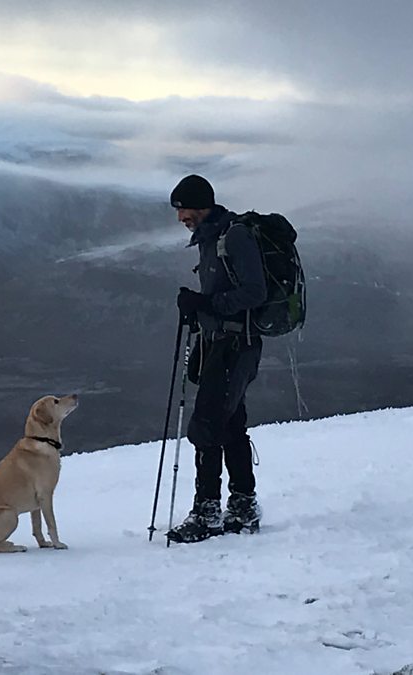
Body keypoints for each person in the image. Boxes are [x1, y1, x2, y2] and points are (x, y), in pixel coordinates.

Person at [167, 174, 266, 544]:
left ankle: (206, 513)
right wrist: (199, 306)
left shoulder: (233, 236)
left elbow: (254, 292)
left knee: (206, 426)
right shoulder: (211, 239)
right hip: (220, 342)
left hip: (236, 345)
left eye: (184, 210)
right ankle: (242, 506)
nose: (181, 218)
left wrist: (207, 304)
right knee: (230, 424)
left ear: (202, 204)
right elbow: (225, 291)